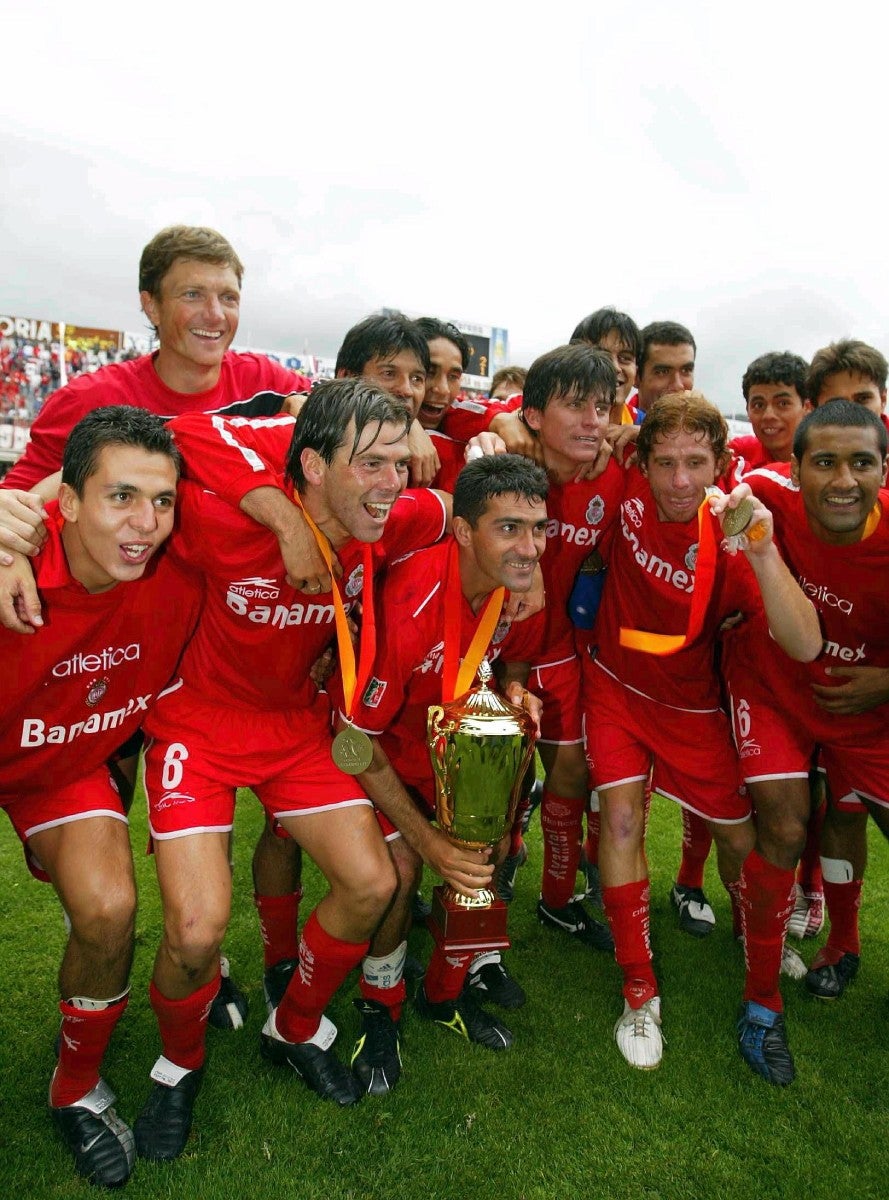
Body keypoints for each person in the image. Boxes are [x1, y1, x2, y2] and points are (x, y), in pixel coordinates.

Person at [132, 380, 468, 1160]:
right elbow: (166, 435)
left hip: (294, 728)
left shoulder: (389, 518)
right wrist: (284, 521)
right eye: (370, 464)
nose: (391, 484)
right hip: (199, 724)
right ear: (312, 466)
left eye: (398, 464)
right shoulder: (224, 518)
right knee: (194, 932)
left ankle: (293, 1026)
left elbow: (462, 511)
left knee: (372, 884)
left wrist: (525, 570)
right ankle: (177, 1064)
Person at [0, 224, 319, 1032]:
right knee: (111, 803)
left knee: (192, 821)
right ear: (149, 303)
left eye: (228, 296)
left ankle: (201, 964)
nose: (214, 314)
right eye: (191, 295)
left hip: (196, 641)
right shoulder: (91, 397)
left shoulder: (265, 381)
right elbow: (27, 498)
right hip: (107, 636)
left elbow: (345, 429)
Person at [579, 391, 822, 1070]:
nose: (679, 480)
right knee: (620, 822)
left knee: (741, 840)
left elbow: (804, 643)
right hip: (614, 686)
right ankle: (638, 989)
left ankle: (755, 931)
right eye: (665, 463)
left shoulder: (734, 537)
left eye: (695, 463)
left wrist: (764, 554)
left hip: (691, 708)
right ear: (643, 462)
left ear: (721, 463)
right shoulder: (624, 479)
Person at [0, 407, 201, 1187]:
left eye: (162, 501)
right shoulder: (14, 558)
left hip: (62, 769)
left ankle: (75, 1085)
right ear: (67, 502)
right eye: (120, 497)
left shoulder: (182, 574)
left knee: (110, 908)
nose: (145, 524)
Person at [341, 454, 549, 1091]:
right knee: (403, 869)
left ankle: (444, 992)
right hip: (375, 754)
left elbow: (498, 665)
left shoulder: (509, 586)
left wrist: (514, 695)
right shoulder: (412, 604)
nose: (530, 547)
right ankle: (380, 1004)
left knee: (489, 849)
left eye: (538, 528)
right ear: (463, 531)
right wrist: (427, 838)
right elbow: (351, 742)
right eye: (509, 528)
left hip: (442, 752)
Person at [718, 401, 889, 1087]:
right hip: (774, 691)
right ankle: (761, 1003)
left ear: (883, 470)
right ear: (794, 468)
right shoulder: (760, 492)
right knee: (785, 827)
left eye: (861, 463)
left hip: (866, 707)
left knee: (850, 819)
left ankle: (842, 945)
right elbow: (683, 471)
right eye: (824, 462)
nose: (843, 480)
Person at [569, 306, 641, 421]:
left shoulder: (647, 425)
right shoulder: (552, 424)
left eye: (625, 358)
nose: (615, 368)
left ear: (636, 371)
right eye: (602, 356)